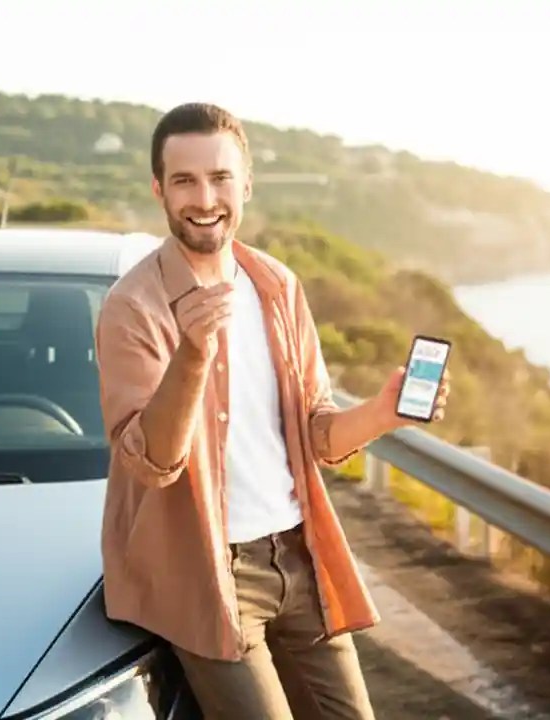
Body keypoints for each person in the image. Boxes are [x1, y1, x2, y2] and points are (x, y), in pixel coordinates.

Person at [94, 102, 451, 719]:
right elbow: (150, 464)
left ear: (247, 185)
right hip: (206, 573)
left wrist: (385, 412)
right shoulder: (134, 308)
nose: (205, 199)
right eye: (184, 181)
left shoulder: (276, 286)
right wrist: (194, 354)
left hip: (295, 553)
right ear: (159, 190)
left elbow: (317, 432)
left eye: (220, 178)